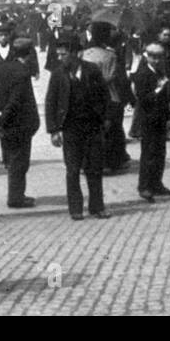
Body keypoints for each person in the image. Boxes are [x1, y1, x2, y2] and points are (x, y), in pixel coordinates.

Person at [45, 31, 110, 220]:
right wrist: (54, 130)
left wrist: (106, 118)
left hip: (92, 126)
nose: (60, 58)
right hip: (70, 128)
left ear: (75, 53)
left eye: (63, 54)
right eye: (58, 54)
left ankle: (97, 207)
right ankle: (75, 209)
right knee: (72, 170)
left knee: (94, 169)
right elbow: (51, 102)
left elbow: (104, 96)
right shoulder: (58, 74)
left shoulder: (92, 70)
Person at [0, 38, 41, 209]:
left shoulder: (3, 68)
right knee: (19, 162)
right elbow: (16, 100)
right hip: (20, 123)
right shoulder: (23, 73)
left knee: (13, 160)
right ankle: (16, 198)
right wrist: (5, 117)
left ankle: (16, 194)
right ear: (29, 54)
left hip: (8, 123)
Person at [83, 21, 133, 173]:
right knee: (113, 129)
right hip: (109, 96)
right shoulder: (110, 55)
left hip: (87, 96)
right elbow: (112, 77)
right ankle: (112, 162)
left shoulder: (84, 54)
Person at [134, 42, 170, 202]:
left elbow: (167, 96)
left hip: (160, 117)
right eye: (154, 57)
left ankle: (157, 183)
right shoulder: (142, 73)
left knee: (160, 152)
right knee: (148, 153)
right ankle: (144, 186)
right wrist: (159, 89)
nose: (157, 61)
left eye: (159, 57)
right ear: (147, 57)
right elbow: (143, 98)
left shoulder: (160, 73)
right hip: (148, 118)